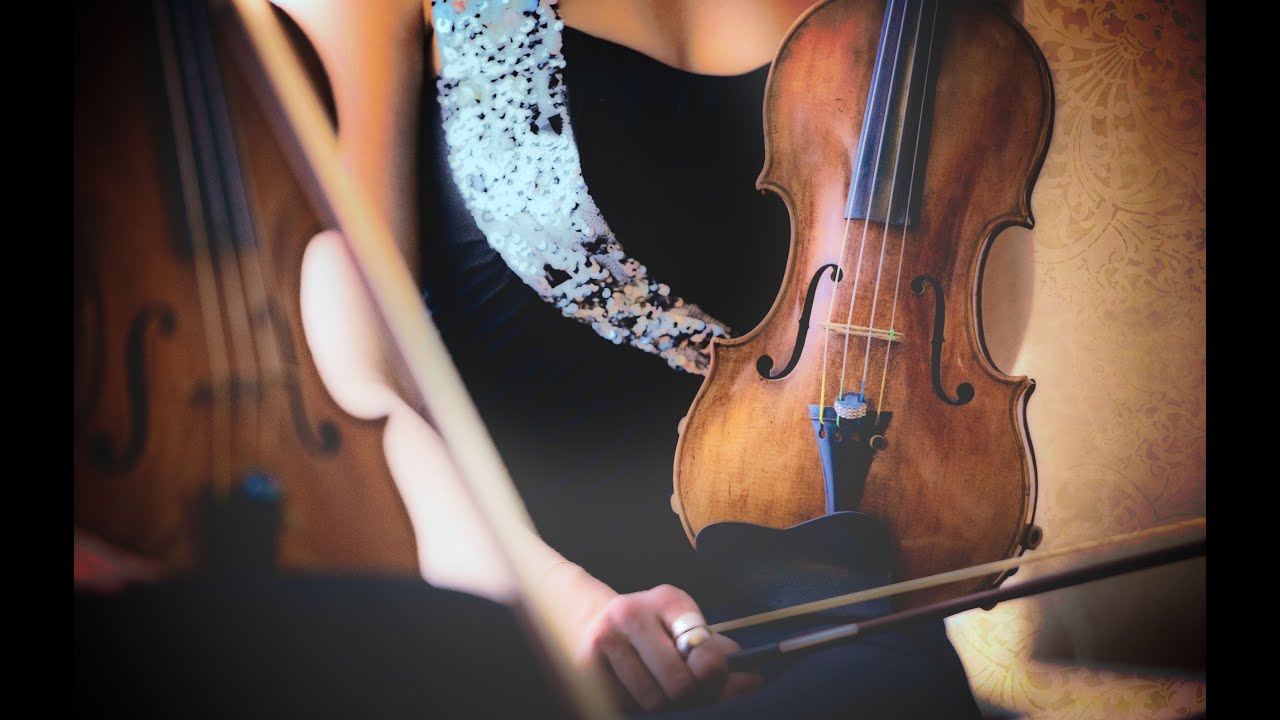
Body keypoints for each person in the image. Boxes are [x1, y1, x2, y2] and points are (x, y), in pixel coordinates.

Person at [76, 1, 985, 717]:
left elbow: (947, 361)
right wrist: (553, 600)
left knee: (892, 693)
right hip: (500, 593)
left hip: (820, 603)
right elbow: (359, 380)